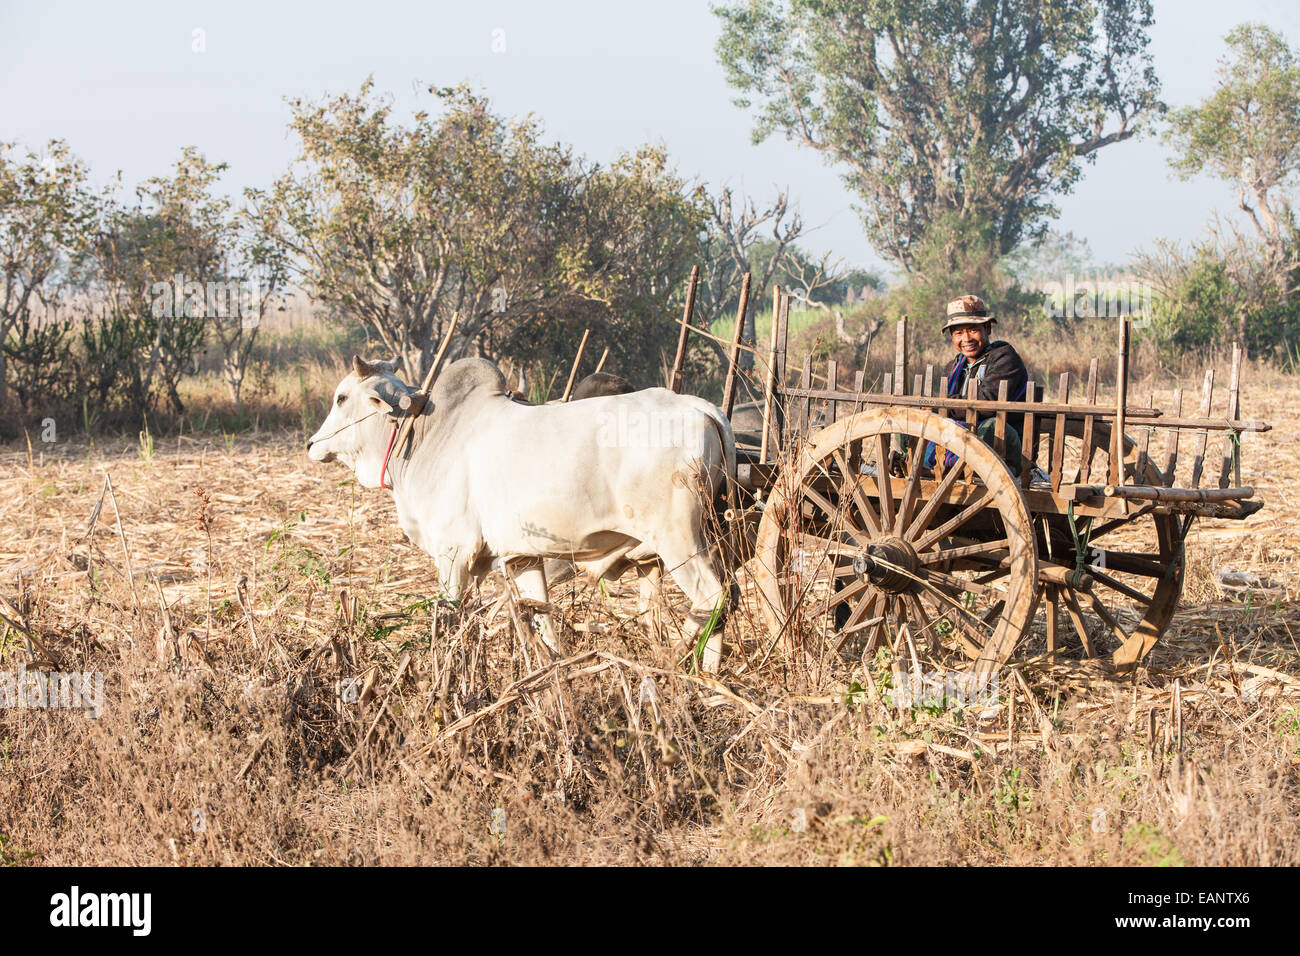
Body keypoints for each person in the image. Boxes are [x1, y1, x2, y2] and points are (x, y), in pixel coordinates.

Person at [934, 294, 1028, 474]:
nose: (966, 338)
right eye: (958, 333)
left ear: (987, 329)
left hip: (1002, 445)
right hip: (959, 435)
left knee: (991, 426)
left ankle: (950, 469)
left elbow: (987, 405)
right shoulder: (953, 367)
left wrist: (942, 406)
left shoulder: (1005, 358)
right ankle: (915, 463)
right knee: (908, 422)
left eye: (972, 330)